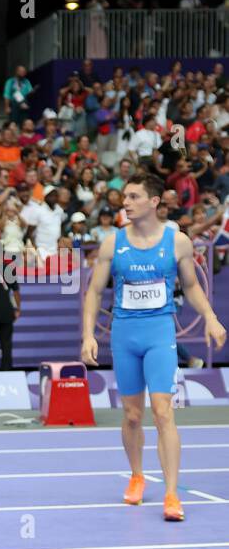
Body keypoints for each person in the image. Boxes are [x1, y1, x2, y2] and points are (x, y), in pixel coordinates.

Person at [81, 174, 226, 521]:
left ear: (154, 202)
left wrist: (210, 316)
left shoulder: (178, 243)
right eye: (125, 197)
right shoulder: (111, 243)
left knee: (163, 413)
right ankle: (136, 475)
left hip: (160, 333)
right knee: (132, 414)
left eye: (133, 197)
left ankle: (172, 494)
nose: (125, 203)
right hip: (124, 335)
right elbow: (94, 292)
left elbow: (191, 286)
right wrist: (88, 335)